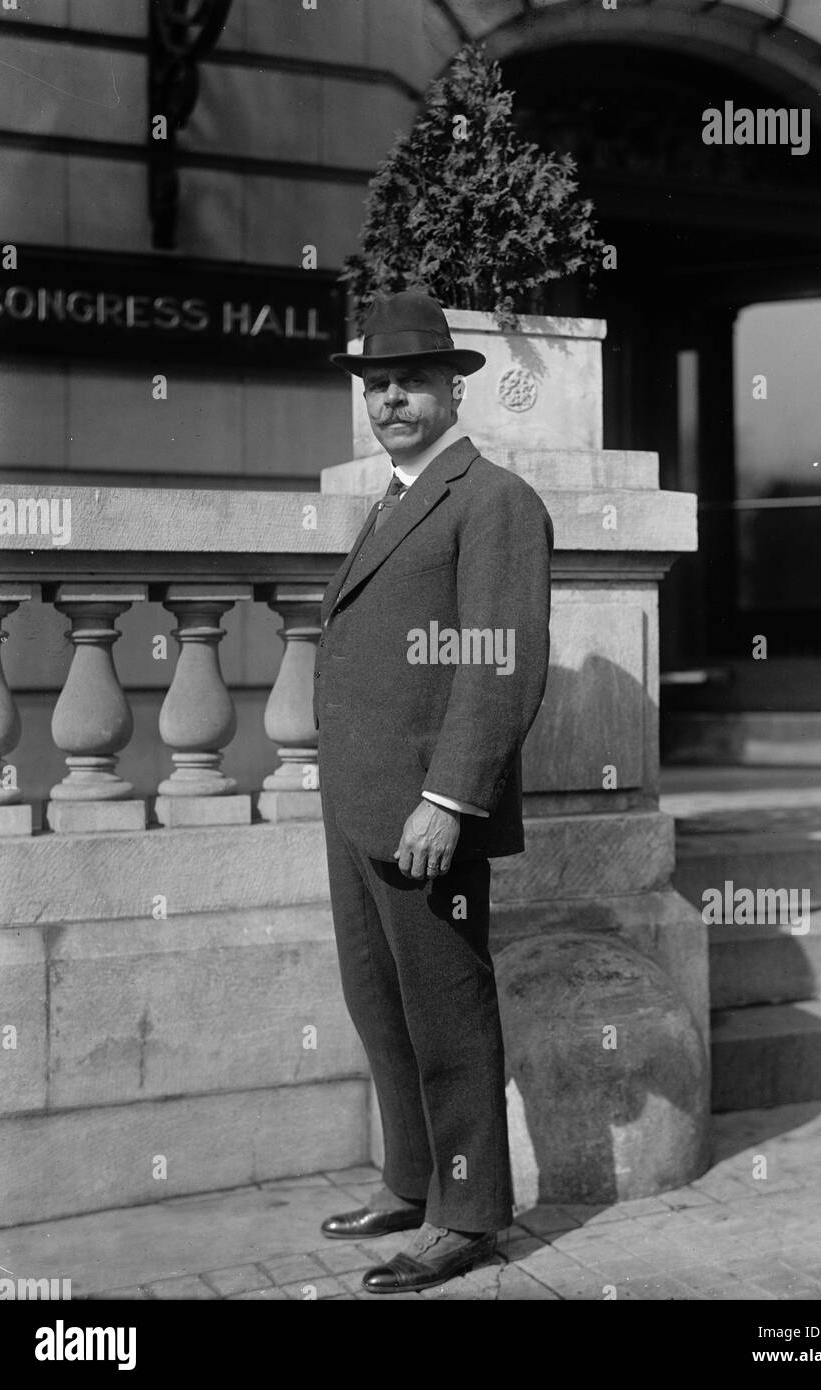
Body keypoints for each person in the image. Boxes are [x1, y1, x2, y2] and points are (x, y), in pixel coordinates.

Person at [315, 289, 553, 1293]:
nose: (390, 400)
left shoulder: (491, 497)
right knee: (379, 1005)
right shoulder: (393, 498)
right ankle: (410, 1179)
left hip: (424, 813)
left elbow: (497, 663)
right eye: (376, 384)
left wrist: (449, 799)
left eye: (411, 381)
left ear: (455, 387)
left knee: (448, 1011)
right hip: (358, 805)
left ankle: (469, 1212)